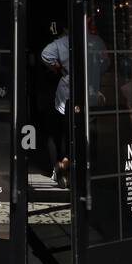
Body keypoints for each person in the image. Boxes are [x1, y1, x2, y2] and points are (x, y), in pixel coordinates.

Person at [41, 19, 110, 188]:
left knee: (68, 133)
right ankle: (74, 173)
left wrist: (58, 68)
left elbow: (45, 55)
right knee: (86, 134)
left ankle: (65, 168)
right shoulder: (96, 41)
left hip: (68, 93)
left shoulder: (61, 42)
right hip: (90, 93)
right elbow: (106, 64)